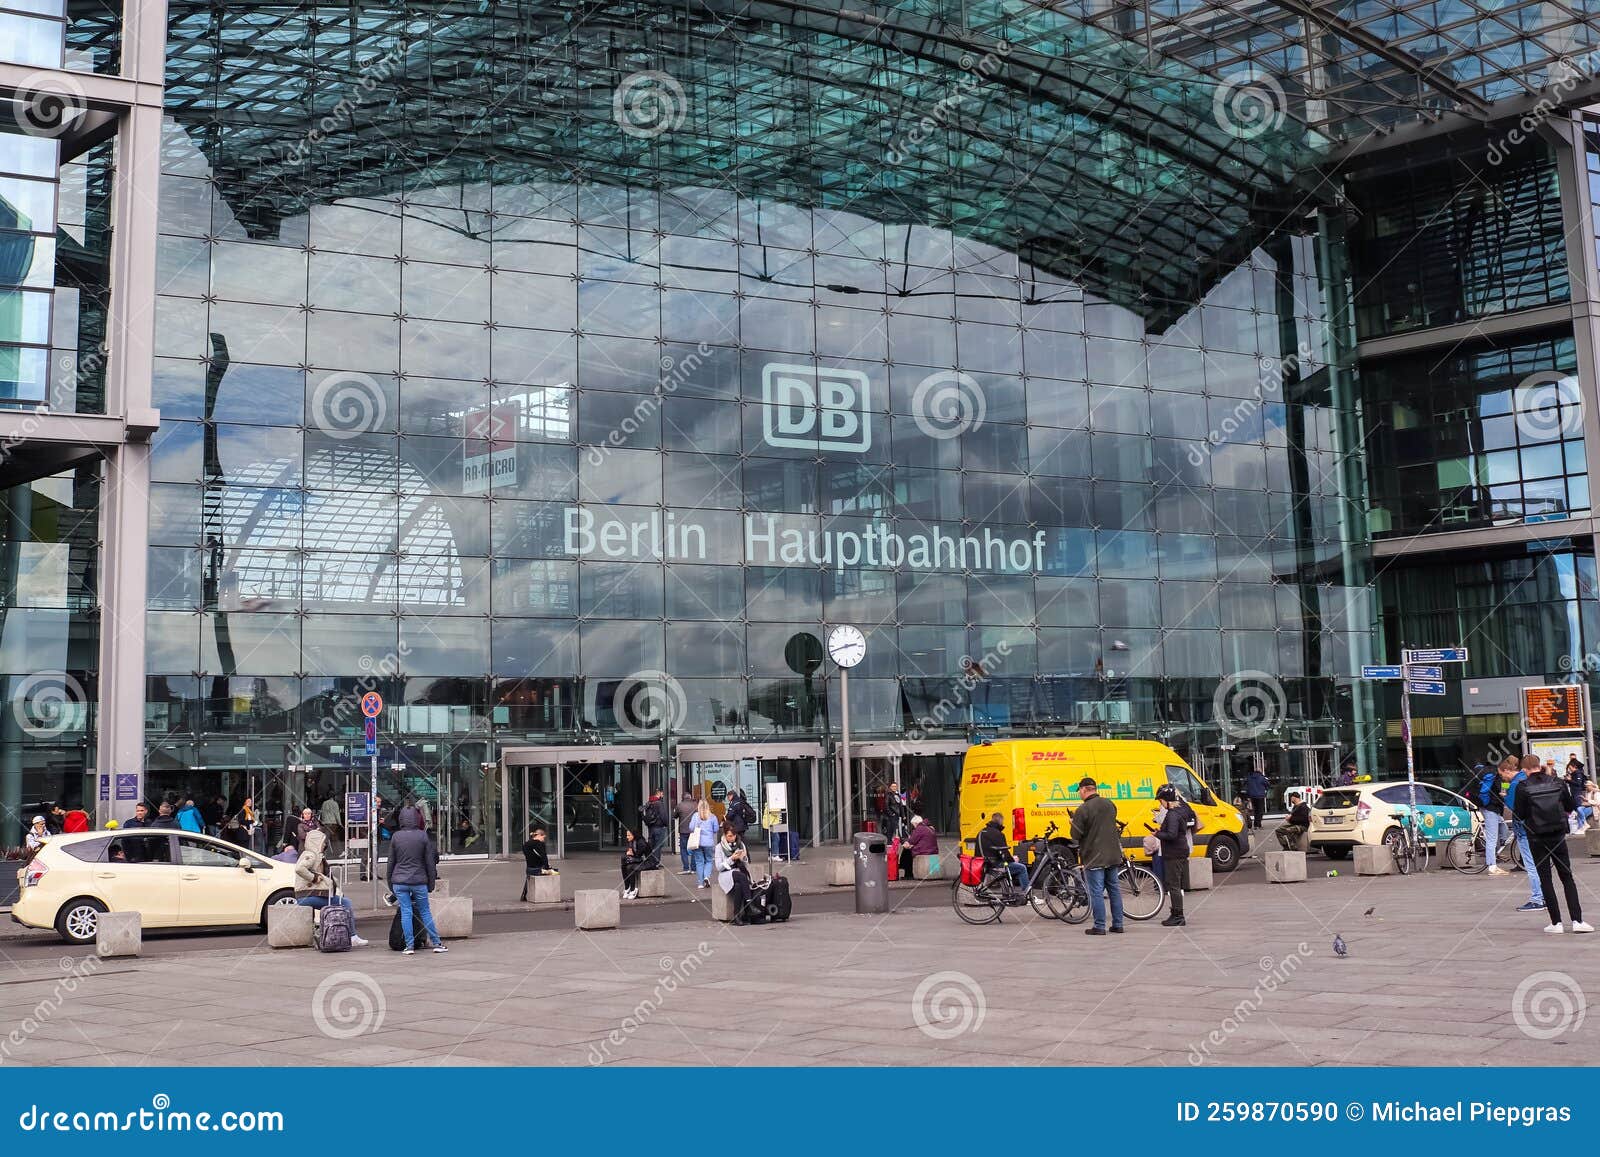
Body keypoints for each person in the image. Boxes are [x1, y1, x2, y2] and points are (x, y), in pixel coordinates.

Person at [1512, 754, 1591, 933]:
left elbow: (1519, 814)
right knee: (1567, 877)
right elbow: (1570, 806)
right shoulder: (1557, 782)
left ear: (1524, 770)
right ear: (1539, 765)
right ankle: (1577, 921)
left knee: (1545, 878)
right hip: (1557, 835)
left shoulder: (1522, 787)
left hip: (1536, 838)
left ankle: (1556, 923)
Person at [293, 830, 369, 947]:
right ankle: (352, 936)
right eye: (323, 842)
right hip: (307, 896)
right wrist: (314, 878)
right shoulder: (311, 855)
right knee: (346, 903)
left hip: (307, 894)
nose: (324, 844)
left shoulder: (313, 854)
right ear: (316, 842)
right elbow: (299, 869)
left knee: (341, 901)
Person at [387, 806, 447, 954]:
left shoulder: (396, 837)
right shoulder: (422, 836)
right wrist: (431, 883)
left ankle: (409, 946)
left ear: (401, 819)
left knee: (406, 913)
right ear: (417, 819)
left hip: (399, 881)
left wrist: (391, 884)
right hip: (419, 881)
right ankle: (437, 943)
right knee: (425, 912)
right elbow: (429, 863)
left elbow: (391, 862)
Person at [1070, 777, 1124, 936]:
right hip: (1112, 855)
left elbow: (1076, 835)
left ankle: (1099, 926)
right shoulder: (1110, 804)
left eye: (1079, 791)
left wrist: (1072, 823)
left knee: (1096, 892)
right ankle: (1118, 924)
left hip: (1094, 857)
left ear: (1083, 789)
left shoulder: (1083, 809)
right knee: (1114, 890)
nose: (1079, 794)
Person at [1501, 757, 1546, 913]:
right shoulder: (1533, 780)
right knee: (1539, 863)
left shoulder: (1516, 784)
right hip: (1540, 826)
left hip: (1524, 827)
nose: (1502, 778)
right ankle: (1545, 896)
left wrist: (1505, 796)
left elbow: (1513, 805)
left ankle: (1537, 898)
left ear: (1507, 770)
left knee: (1530, 864)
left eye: (1502, 774)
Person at [1152, 784, 1196, 927]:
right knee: (1174, 884)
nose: (1161, 804)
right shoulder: (1180, 810)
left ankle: (1178, 916)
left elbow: (1171, 835)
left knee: (1174, 885)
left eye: (1161, 801)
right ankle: (1176, 913)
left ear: (1166, 800)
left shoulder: (1172, 814)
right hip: (1180, 850)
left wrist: (1158, 834)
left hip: (1174, 853)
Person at [1469, 761, 1512, 876]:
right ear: (1504, 770)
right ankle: (1492, 867)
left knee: (1504, 830)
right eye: (1508, 772)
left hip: (1495, 809)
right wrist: (1487, 803)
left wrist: (1506, 786)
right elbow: (1492, 792)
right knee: (1492, 838)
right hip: (1490, 809)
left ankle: (1494, 854)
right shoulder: (1493, 776)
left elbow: (1503, 791)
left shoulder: (1498, 777)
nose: (1509, 775)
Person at [976, 812, 1027, 893]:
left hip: (983, 864)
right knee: (1022, 868)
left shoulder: (981, 832)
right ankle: (1026, 893)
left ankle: (1007, 890)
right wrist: (1013, 859)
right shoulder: (998, 834)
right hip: (994, 864)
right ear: (1000, 821)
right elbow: (1004, 853)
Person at [714, 826, 754, 923]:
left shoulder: (741, 844)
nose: (732, 838)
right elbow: (719, 867)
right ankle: (749, 905)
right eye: (730, 836)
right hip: (726, 874)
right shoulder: (719, 847)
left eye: (734, 835)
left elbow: (746, 864)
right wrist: (731, 858)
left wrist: (743, 858)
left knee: (738, 886)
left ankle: (736, 916)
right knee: (741, 876)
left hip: (739, 871)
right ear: (725, 835)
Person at [687, 799, 719, 888]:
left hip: (697, 842)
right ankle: (706, 876)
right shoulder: (712, 817)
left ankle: (700, 883)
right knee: (709, 860)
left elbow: (691, 828)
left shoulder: (695, 816)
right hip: (708, 843)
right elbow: (716, 829)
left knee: (699, 862)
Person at [519, 827, 557, 900]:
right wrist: (547, 867)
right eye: (543, 837)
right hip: (539, 869)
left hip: (529, 869)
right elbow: (544, 857)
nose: (544, 839)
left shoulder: (525, 844)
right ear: (539, 835)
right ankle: (546, 895)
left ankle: (524, 894)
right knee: (554, 871)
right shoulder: (540, 844)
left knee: (529, 876)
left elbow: (530, 857)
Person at [619, 827, 652, 899]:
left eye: (629, 835)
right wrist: (629, 854)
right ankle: (627, 887)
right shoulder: (632, 841)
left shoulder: (641, 843)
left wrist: (632, 856)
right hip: (640, 860)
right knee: (624, 859)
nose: (627, 837)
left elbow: (641, 857)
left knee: (630, 867)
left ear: (634, 835)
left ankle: (633, 889)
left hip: (648, 862)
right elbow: (632, 854)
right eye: (627, 835)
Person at [676, 789, 700, 875]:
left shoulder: (679, 805)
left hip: (683, 831)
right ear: (690, 797)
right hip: (693, 830)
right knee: (693, 848)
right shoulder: (695, 805)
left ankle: (686, 868)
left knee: (683, 849)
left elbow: (675, 816)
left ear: (682, 798)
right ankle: (693, 868)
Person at [642, 790, 670, 861]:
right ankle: (656, 862)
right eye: (662, 794)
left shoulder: (648, 803)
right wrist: (666, 824)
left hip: (651, 827)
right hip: (659, 827)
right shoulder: (659, 803)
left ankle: (650, 860)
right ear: (659, 794)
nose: (663, 795)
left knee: (651, 845)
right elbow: (663, 816)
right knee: (658, 845)